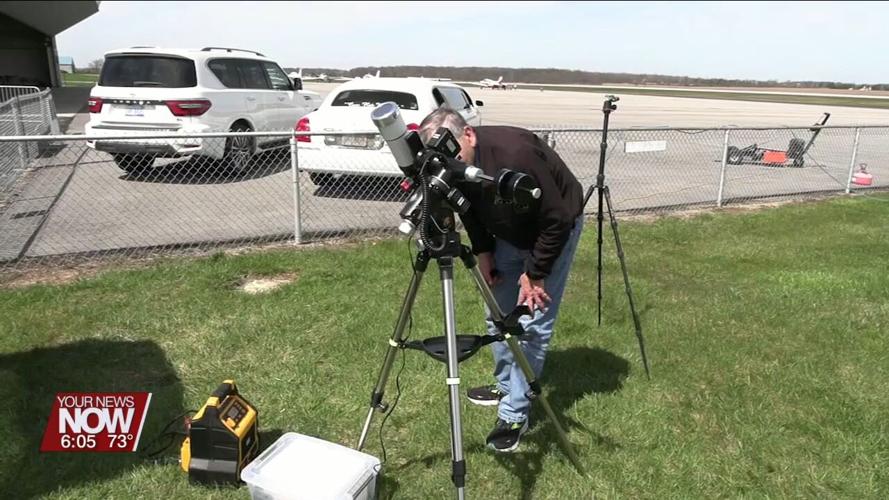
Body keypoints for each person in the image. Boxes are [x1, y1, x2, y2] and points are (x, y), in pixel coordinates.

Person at [418, 108, 584, 453]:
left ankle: (514, 413)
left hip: (552, 229)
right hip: (506, 233)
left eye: (456, 157)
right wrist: (483, 252)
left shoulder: (515, 154)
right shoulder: (450, 161)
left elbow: (558, 218)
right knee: (496, 313)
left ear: (469, 136)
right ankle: (507, 385)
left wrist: (536, 272)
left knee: (531, 324)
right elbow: (469, 208)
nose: (452, 166)